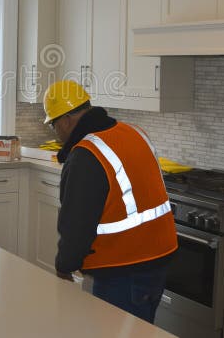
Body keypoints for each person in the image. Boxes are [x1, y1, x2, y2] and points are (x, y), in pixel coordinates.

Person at [43, 79, 177, 323]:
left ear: (66, 120)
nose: (56, 132)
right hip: (159, 258)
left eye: (53, 124)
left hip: (124, 267)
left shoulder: (86, 155)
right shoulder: (133, 132)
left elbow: (76, 224)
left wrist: (64, 265)